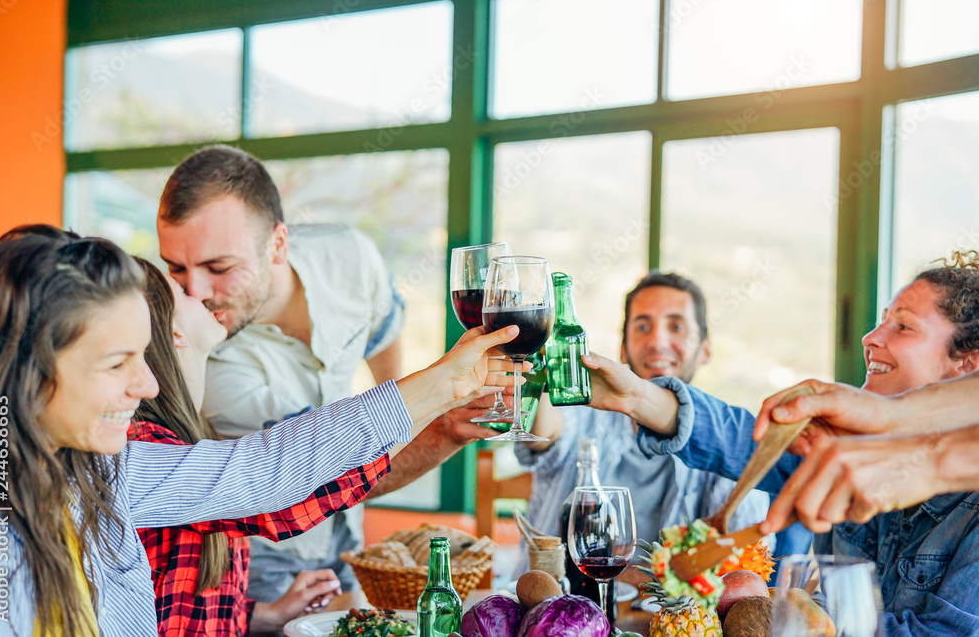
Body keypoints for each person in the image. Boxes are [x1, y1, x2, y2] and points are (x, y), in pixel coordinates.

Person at [0, 227, 519, 636]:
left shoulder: (101, 469)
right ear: (27, 372)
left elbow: (266, 472)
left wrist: (443, 391)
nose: (146, 385)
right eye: (118, 362)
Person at [156, 145, 496, 600]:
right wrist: (442, 430)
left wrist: (400, 416)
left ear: (278, 244)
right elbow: (314, 475)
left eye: (218, 267)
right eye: (176, 268)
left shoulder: (348, 256)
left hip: (348, 538)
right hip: (262, 555)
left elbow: (383, 327)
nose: (195, 291)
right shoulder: (196, 352)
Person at [587, 258, 979, 635]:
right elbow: (738, 439)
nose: (870, 338)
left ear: (968, 366)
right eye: (881, 322)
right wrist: (635, 397)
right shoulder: (847, 449)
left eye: (903, 327)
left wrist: (792, 619)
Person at [130, 257, 356, 636]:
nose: (200, 292)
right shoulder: (148, 448)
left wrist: (267, 614)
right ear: (174, 333)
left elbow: (178, 602)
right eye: (184, 292)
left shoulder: (186, 436)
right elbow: (278, 485)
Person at [515, 272, 773, 577]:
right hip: (555, 612)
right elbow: (543, 433)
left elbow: (748, 566)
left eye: (676, 326)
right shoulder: (584, 412)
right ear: (623, 348)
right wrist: (535, 362)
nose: (657, 341)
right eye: (642, 326)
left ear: (705, 348)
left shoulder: (726, 444)